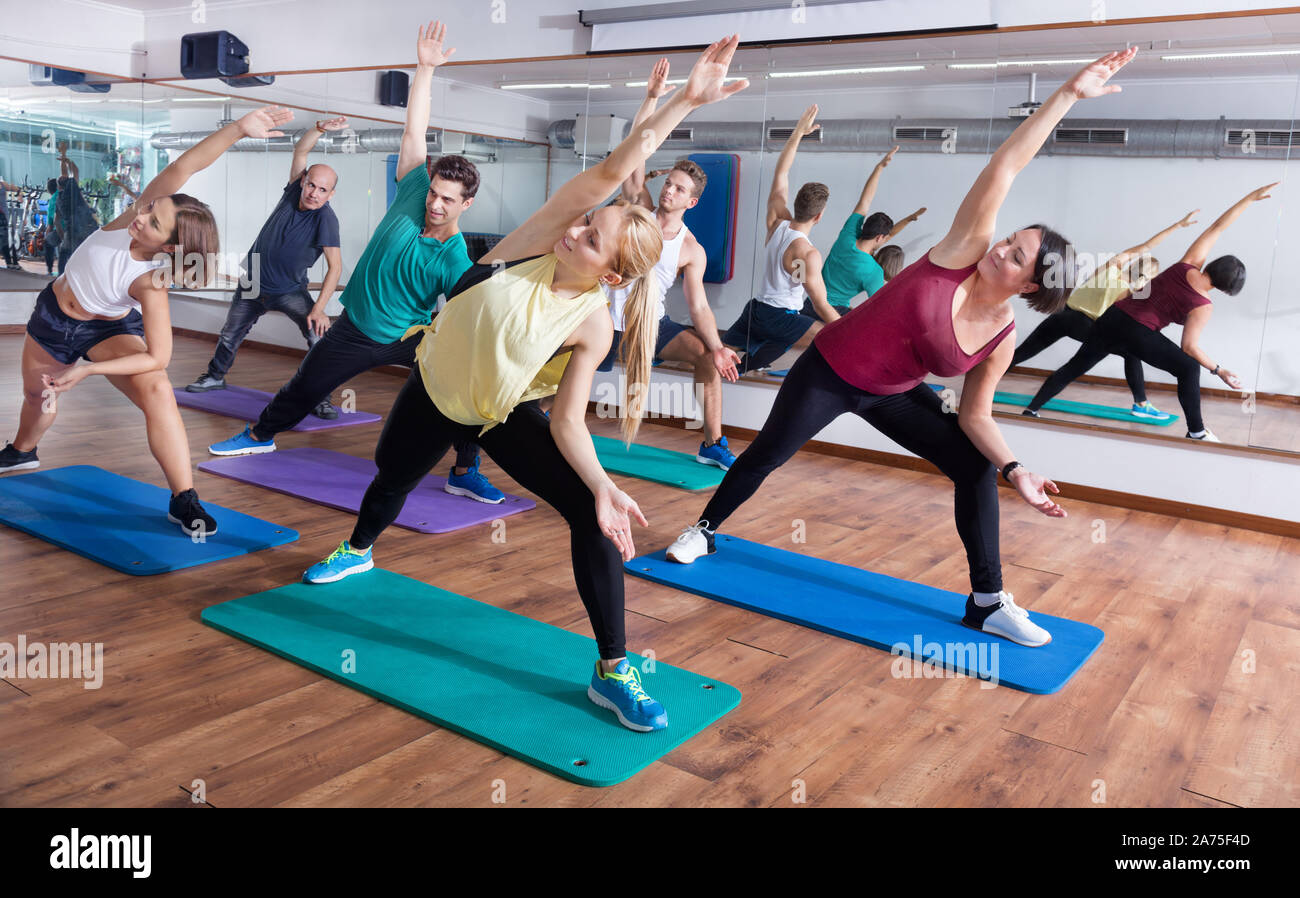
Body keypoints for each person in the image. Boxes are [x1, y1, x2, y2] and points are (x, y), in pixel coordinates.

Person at [301, 25, 748, 733]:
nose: (576, 230)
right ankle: (358, 550)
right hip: (433, 390)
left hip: (495, 413)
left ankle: (613, 670)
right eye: (583, 223)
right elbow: (614, 169)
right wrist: (679, 106)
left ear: (607, 273)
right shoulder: (532, 244)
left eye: (590, 237)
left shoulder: (594, 325)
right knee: (389, 480)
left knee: (592, 519)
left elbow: (567, 423)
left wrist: (602, 486)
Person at [665, 49, 1144, 649]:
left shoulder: (1001, 336)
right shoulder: (964, 249)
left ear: (1030, 286)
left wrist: (1015, 468)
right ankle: (704, 529)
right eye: (1013, 240)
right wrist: (1068, 96)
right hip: (830, 370)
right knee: (766, 454)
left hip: (892, 394)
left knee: (973, 466)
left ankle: (987, 600)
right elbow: (1006, 166)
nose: (1002, 250)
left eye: (1017, 256)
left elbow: (975, 416)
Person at [206, 33, 502, 504]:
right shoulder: (412, 191)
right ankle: (260, 435)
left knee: (462, 392)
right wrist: (425, 69)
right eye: (434, 193)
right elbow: (414, 130)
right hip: (356, 329)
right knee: (305, 385)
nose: (436, 204)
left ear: (467, 203)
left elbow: (471, 310)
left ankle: (464, 471)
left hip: (410, 338)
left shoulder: (454, 256)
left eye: (448, 199)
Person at [0, 105, 294, 535]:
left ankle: (184, 498)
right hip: (54, 315)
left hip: (108, 330)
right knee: (36, 397)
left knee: (158, 389)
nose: (140, 216)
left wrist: (91, 368)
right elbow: (184, 165)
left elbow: (159, 356)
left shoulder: (150, 283)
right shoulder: (128, 220)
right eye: (150, 208)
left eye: (153, 222)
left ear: (171, 248)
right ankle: (23, 450)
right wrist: (237, 129)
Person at [1022, 185, 1268, 441]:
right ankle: (1196, 431)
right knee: (1188, 368)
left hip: (1111, 318)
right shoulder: (1203, 304)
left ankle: (1032, 409)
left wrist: (1249, 198)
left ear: (1215, 265)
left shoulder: (1188, 263)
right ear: (1228, 289)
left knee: (1076, 366)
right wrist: (1220, 370)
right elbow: (1189, 347)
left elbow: (1217, 227)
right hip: (1137, 330)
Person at [602, 58, 742, 470]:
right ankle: (530, 421)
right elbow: (634, 154)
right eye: (668, 183)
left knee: (703, 355)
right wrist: (650, 99)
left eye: (679, 189)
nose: (669, 191)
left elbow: (698, 306)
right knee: (559, 372)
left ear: (691, 201)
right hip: (604, 314)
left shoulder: (690, 249)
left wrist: (718, 348)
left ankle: (712, 443)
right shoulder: (639, 210)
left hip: (649, 321)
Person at [186, 117, 347, 421]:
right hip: (253, 279)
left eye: (322, 190)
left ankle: (321, 399)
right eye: (311, 185)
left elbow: (335, 267)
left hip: (290, 290)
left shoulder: (326, 219)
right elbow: (300, 151)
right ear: (303, 182)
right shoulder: (291, 194)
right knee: (231, 334)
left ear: (330, 194)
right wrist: (319, 129)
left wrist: (321, 308)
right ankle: (214, 377)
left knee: (317, 340)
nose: (314, 193)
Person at [1012, 211, 1198, 419]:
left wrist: (1177, 226)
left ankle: (985, 379)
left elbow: (1146, 246)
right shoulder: (1134, 294)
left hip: (1062, 314)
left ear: (1133, 265)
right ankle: (1141, 404)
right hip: (1088, 325)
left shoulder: (1110, 267)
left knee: (1022, 353)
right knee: (1128, 353)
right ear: (1148, 277)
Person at [719, 104, 835, 373]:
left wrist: (798, 132)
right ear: (819, 216)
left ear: (796, 204)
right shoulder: (808, 254)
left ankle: (744, 365)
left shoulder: (776, 222)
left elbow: (781, 172)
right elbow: (820, 303)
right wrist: (850, 331)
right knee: (827, 337)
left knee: (722, 356)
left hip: (757, 309)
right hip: (779, 317)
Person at [799, 147, 925, 318]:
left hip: (811, 302)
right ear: (880, 237)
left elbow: (865, 200)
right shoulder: (874, 271)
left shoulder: (848, 236)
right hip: (834, 314)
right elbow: (880, 307)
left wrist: (879, 167)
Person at [0, 178, 20, 270]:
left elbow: (16, 189)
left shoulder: (3, 184)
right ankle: (10, 262)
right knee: (4, 240)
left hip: (3, 216)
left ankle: (12, 262)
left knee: (7, 239)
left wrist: (19, 193)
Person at [42, 180, 59, 276]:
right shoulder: (65, 194)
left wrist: (46, 237)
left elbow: (50, 224)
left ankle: (49, 270)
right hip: (73, 229)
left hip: (61, 231)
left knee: (48, 242)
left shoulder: (53, 199)